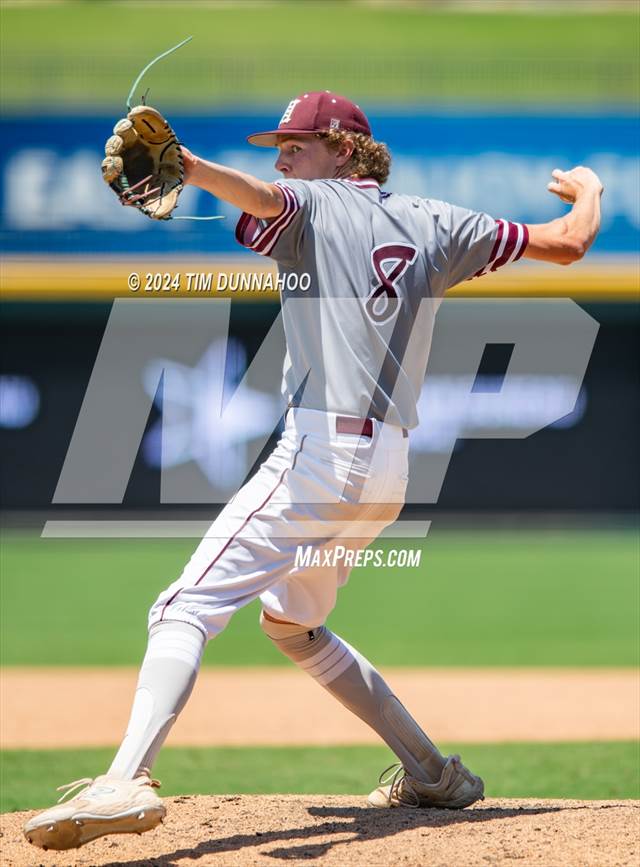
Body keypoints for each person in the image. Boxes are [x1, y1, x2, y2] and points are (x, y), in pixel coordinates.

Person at [24, 91, 603, 851]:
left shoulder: (313, 202)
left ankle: (125, 776)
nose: (282, 156)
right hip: (390, 472)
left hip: (321, 454)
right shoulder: (440, 219)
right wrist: (592, 189)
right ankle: (431, 770)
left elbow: (267, 198)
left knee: (182, 605)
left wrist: (191, 167)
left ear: (343, 147)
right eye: (280, 146)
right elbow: (566, 243)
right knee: (294, 624)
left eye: (296, 143)